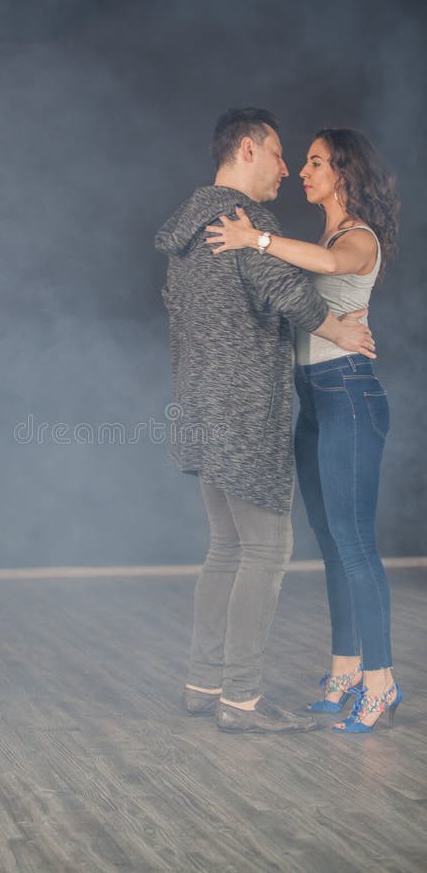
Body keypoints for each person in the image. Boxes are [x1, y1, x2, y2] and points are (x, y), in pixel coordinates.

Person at [155, 109, 376, 734]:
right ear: (248, 149)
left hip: (198, 401)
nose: (287, 168)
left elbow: (179, 308)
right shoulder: (242, 220)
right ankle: (243, 700)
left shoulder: (190, 224)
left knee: (226, 548)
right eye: (280, 154)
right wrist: (339, 331)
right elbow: (287, 292)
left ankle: (204, 683)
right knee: (267, 548)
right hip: (245, 406)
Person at [205, 127, 401, 733]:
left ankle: (381, 681)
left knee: (355, 543)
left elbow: (334, 266)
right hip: (314, 400)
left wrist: (256, 239)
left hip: (349, 396)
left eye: (316, 162)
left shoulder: (358, 237)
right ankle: (345, 669)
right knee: (332, 543)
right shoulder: (322, 236)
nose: (303, 171)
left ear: (344, 171)